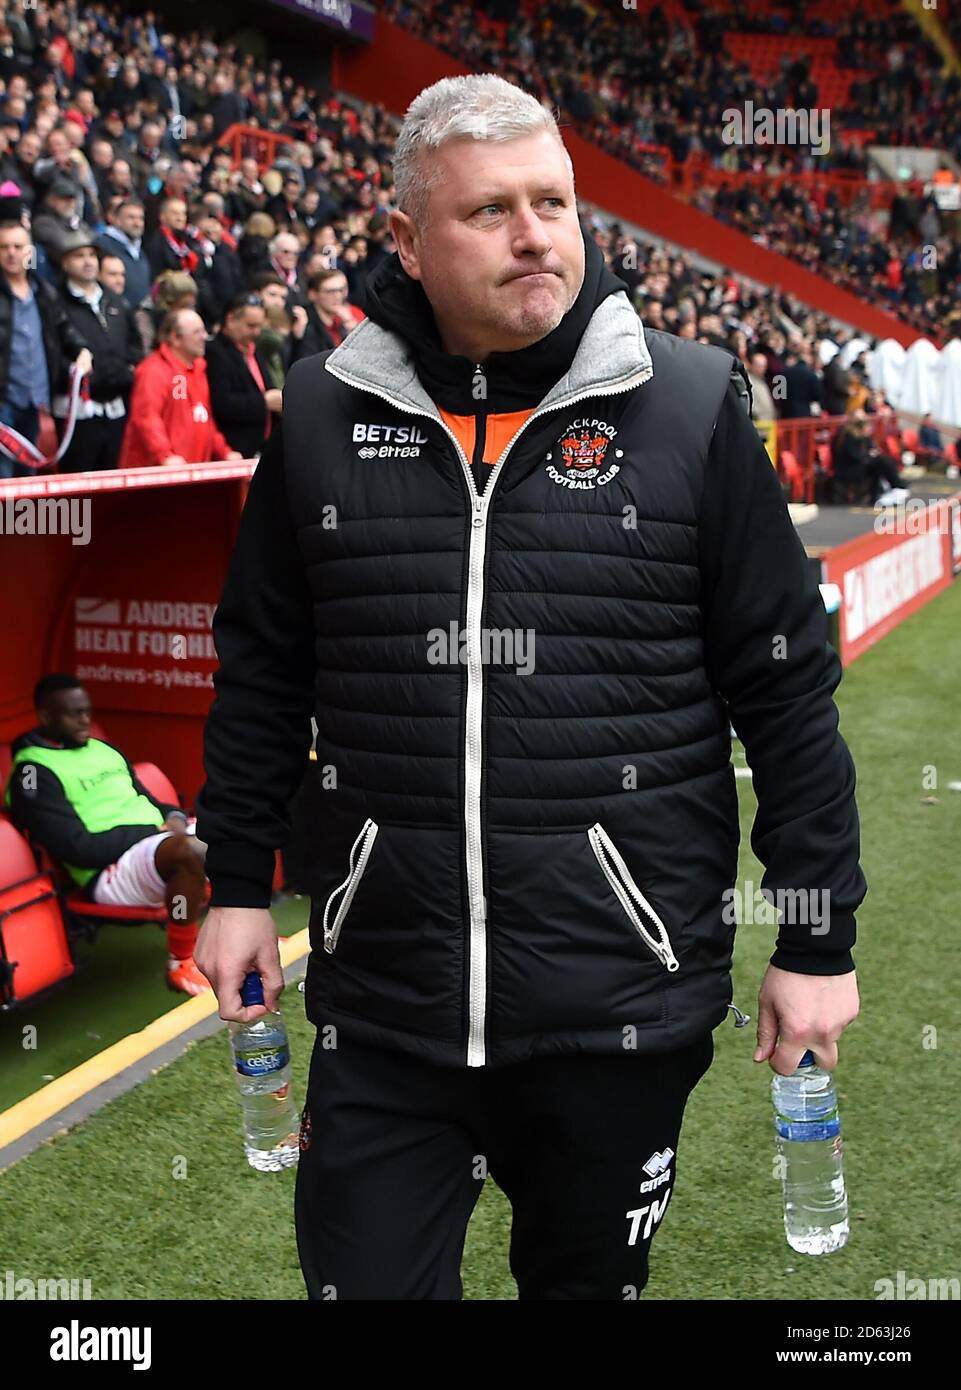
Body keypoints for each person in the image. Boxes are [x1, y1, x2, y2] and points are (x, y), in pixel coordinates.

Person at [193, 74, 865, 1301]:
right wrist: (240, 880)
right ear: (405, 238)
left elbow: (786, 693)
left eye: (552, 201)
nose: (534, 234)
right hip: (383, 1000)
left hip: (615, 1001)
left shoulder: (692, 404)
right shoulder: (322, 414)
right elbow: (262, 671)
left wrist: (815, 936)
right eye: (490, 210)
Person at [4, 674, 211, 995]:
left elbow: (149, 800)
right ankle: (181, 962)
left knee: (233, 829)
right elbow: (78, 849)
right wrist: (154, 831)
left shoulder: (102, 749)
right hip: (110, 871)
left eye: (87, 711)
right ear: (46, 716)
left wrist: (173, 816)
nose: (85, 719)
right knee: (191, 852)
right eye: (74, 713)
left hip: (156, 846)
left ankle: (230, 939)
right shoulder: (32, 773)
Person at [0, 212, 92, 476]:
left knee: (27, 480)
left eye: (17, 247)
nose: (11, 254)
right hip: (3, 402)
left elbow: (65, 329)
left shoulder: (43, 291)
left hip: (34, 400)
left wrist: (82, 351)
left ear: (29, 251)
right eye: (4, 247)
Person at [54, 230, 143, 472]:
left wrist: (128, 370)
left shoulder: (115, 301)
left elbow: (135, 343)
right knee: (79, 489)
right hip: (78, 410)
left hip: (115, 405)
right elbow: (52, 350)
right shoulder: (55, 302)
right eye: (79, 255)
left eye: (92, 255)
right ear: (65, 262)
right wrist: (74, 374)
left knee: (112, 482)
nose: (87, 261)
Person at [117, 307, 242, 469]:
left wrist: (224, 452)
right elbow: (146, 418)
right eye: (197, 332)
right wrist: (165, 455)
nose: (204, 337)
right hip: (157, 475)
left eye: (204, 331)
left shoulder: (198, 370)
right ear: (175, 338)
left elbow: (203, 417)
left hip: (189, 470)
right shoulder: (153, 370)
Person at [205, 291, 281, 456]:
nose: (256, 332)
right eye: (250, 326)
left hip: (262, 447)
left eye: (260, 326)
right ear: (231, 319)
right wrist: (264, 402)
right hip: (235, 449)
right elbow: (222, 404)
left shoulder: (255, 351)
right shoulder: (215, 353)